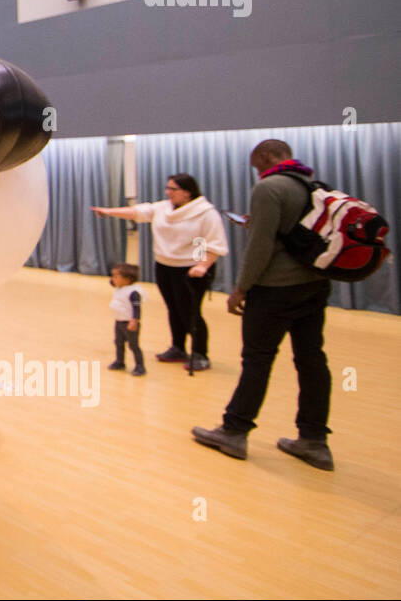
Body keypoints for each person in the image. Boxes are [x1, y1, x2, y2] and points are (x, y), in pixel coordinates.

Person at [192, 140, 335, 470]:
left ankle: (234, 431)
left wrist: (240, 289)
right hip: (314, 286)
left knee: (257, 359)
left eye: (257, 165)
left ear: (268, 158)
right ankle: (314, 441)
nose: (258, 171)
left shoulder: (269, 186)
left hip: (275, 290)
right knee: (312, 359)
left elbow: (261, 246)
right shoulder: (312, 185)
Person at [93, 173, 228, 370]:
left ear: (187, 192)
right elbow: (137, 212)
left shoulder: (204, 213)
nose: (168, 192)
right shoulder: (163, 208)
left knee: (189, 312)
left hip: (191, 270)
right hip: (165, 266)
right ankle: (178, 348)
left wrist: (202, 265)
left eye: (173, 189)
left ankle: (200, 354)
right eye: (168, 188)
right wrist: (109, 212)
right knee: (173, 309)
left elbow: (209, 242)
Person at [108, 263, 146, 375]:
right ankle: (120, 362)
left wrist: (135, 321)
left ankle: (140, 366)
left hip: (129, 323)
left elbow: (137, 308)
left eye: (116, 276)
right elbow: (111, 282)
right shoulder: (119, 287)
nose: (112, 279)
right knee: (118, 343)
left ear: (127, 279)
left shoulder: (133, 292)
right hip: (118, 322)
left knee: (133, 345)